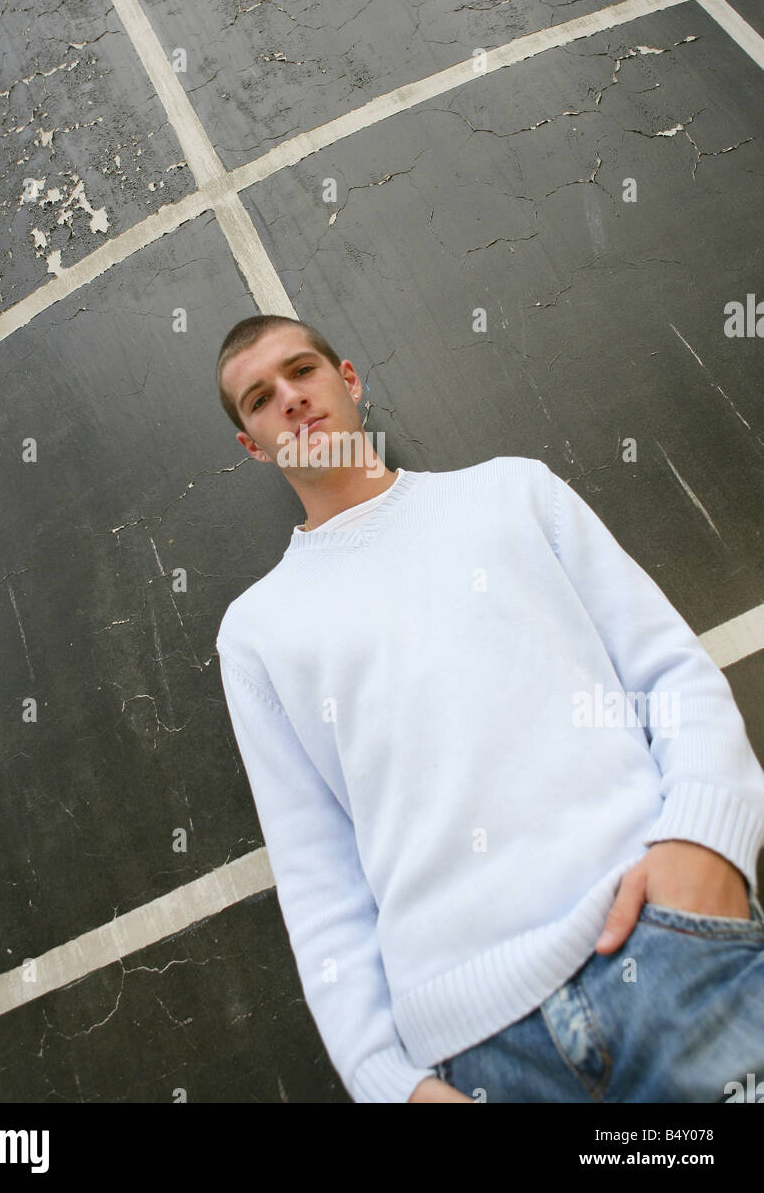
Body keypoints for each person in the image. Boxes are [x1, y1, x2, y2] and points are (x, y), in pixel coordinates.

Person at [213, 313, 764, 1104]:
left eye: (302, 372)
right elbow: (316, 875)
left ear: (350, 380)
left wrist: (708, 848)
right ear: (252, 444)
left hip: (670, 951)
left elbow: (668, 673)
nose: (291, 400)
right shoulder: (256, 634)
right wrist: (387, 1084)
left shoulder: (513, 492)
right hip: (480, 1060)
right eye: (260, 398)